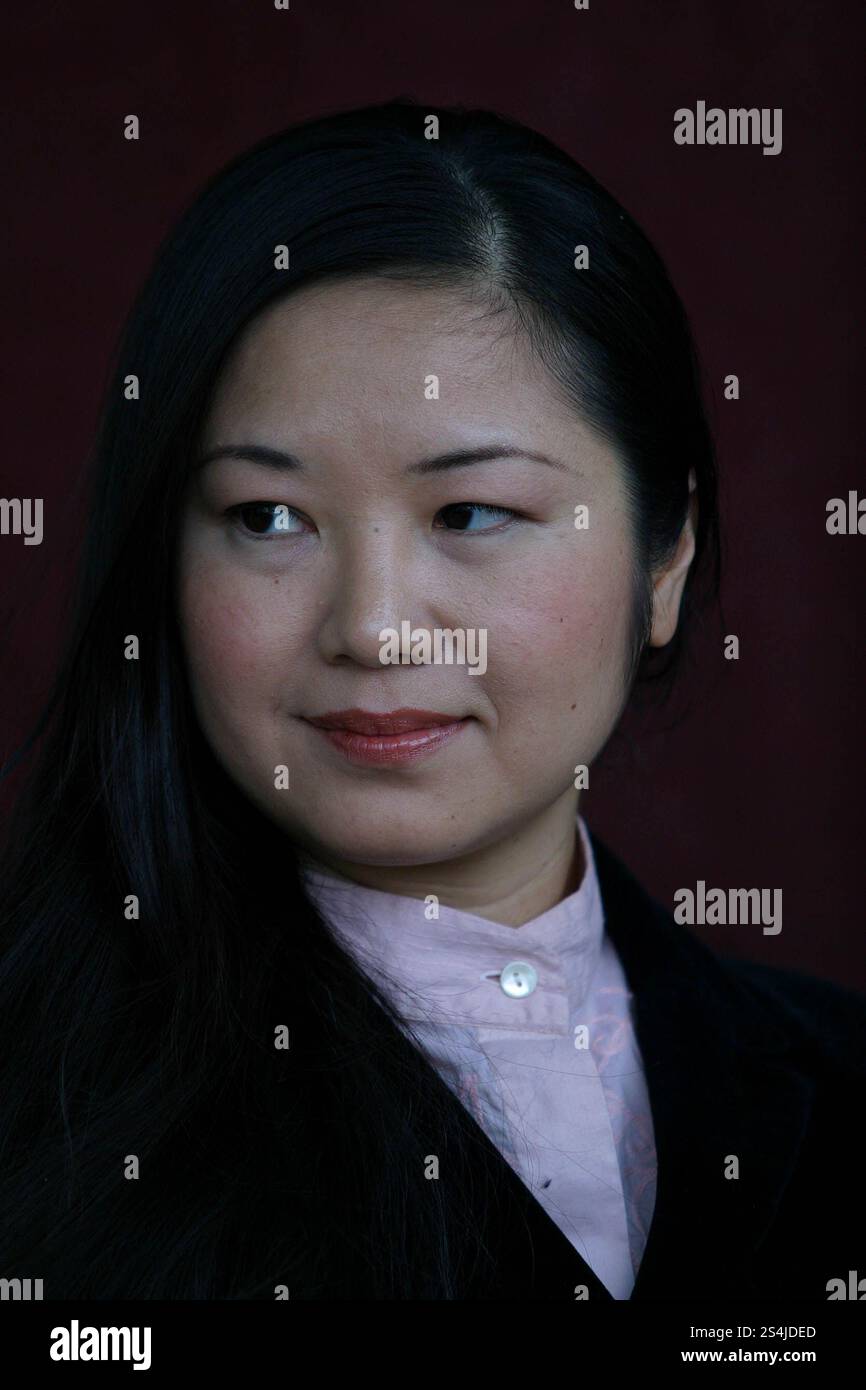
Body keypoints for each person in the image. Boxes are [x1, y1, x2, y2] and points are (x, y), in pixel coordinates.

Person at [0, 98, 863, 1302]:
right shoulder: (36, 1101)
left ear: (661, 559)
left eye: (469, 515)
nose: (370, 626)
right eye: (268, 518)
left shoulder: (834, 1081)